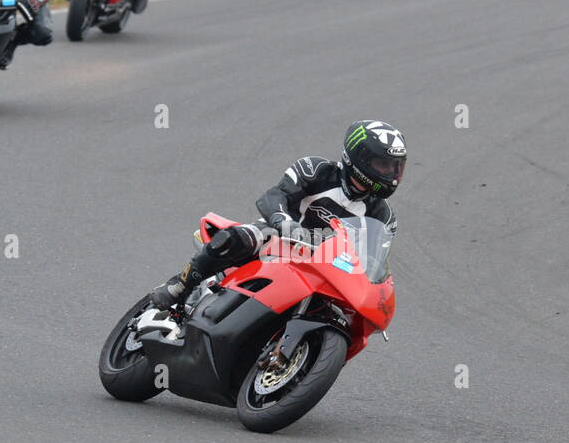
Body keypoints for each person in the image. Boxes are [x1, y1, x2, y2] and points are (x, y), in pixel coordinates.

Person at [151, 121, 407, 311]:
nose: (392, 173)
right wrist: (285, 223)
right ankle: (179, 285)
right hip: (277, 239)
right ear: (359, 158)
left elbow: (373, 262)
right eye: (383, 165)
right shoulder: (316, 170)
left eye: (397, 166)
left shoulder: (383, 216)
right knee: (236, 238)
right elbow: (273, 196)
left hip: (324, 269)